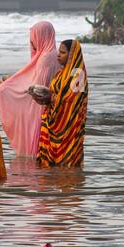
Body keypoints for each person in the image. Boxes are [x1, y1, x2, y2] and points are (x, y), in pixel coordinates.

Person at [0, 21, 59, 159]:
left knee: (35, 157)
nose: (31, 42)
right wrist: (11, 82)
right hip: (55, 110)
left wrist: (7, 89)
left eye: (33, 38)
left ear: (40, 37)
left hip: (43, 113)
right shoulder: (54, 55)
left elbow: (38, 91)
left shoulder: (45, 59)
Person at [29, 40, 89, 168]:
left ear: (72, 55)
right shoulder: (60, 73)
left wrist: (51, 98)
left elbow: (74, 101)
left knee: (68, 167)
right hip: (53, 122)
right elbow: (56, 93)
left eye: (63, 52)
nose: (58, 55)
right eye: (59, 52)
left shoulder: (78, 74)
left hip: (69, 127)